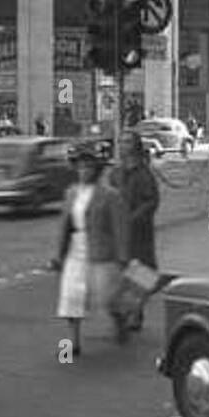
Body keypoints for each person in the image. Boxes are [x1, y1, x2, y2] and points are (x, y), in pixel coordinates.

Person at [52, 146, 128, 355]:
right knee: (71, 296)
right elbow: (64, 225)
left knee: (106, 296)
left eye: (88, 167)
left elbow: (120, 227)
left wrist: (122, 256)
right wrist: (59, 254)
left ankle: (119, 317)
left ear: (97, 170)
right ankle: (71, 344)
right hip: (76, 248)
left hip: (101, 250)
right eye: (80, 167)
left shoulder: (110, 195)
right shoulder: (71, 193)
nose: (83, 171)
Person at [113, 133, 160, 331]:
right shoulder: (117, 172)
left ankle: (134, 311)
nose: (122, 145)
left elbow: (151, 201)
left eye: (127, 142)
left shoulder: (143, 173)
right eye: (121, 141)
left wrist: (135, 218)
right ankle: (128, 310)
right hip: (119, 231)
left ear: (136, 146)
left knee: (143, 273)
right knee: (124, 272)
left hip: (138, 232)